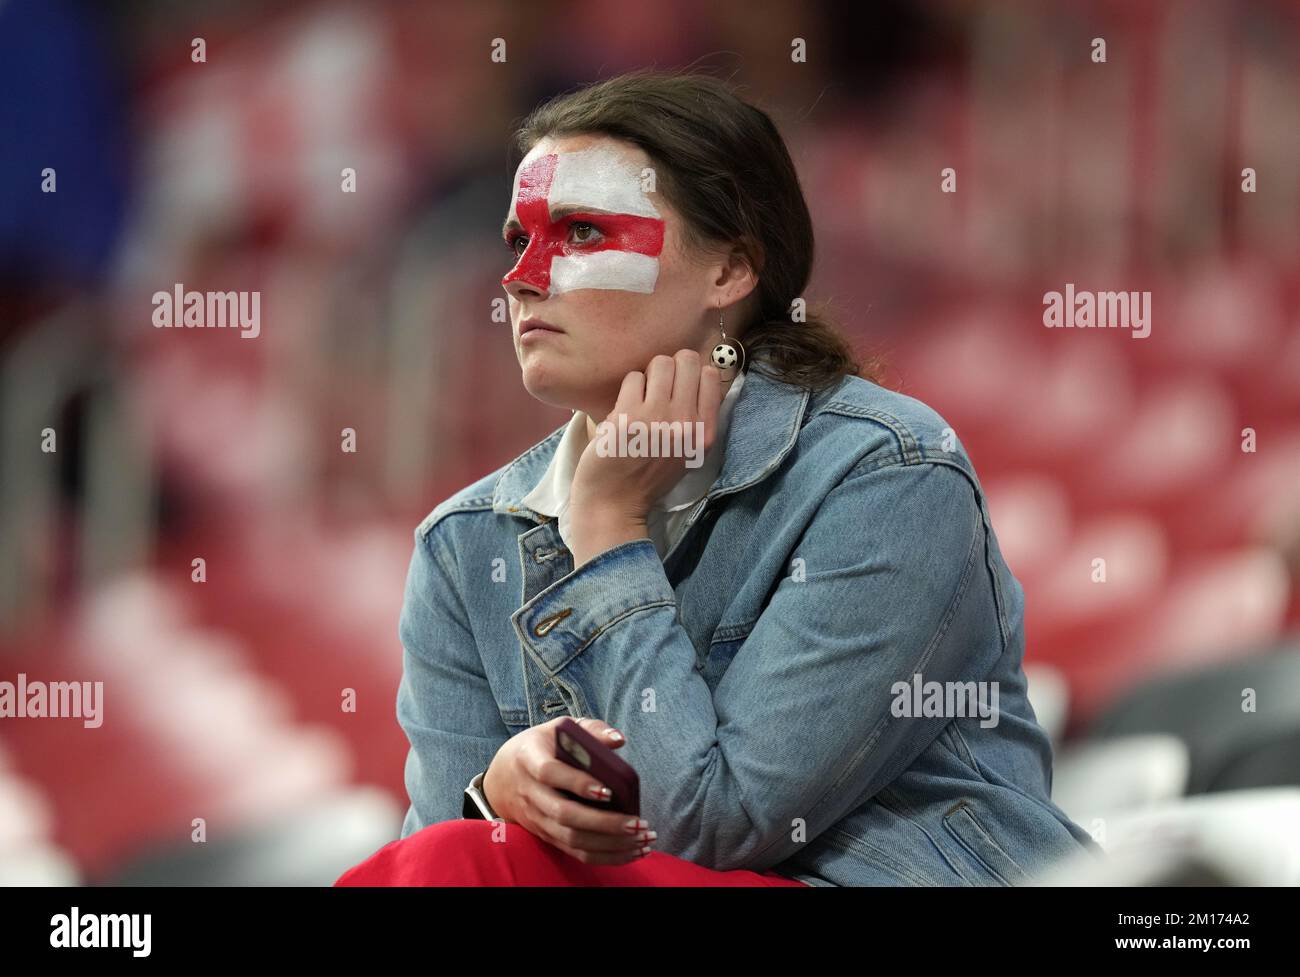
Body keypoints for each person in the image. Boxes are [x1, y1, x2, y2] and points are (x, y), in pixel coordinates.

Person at [335, 69, 1103, 887]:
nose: (520, 275)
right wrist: (494, 795)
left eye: (582, 231)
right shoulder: (464, 544)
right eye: (515, 239)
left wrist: (607, 532)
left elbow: (710, 822)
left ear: (731, 269)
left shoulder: (890, 474)